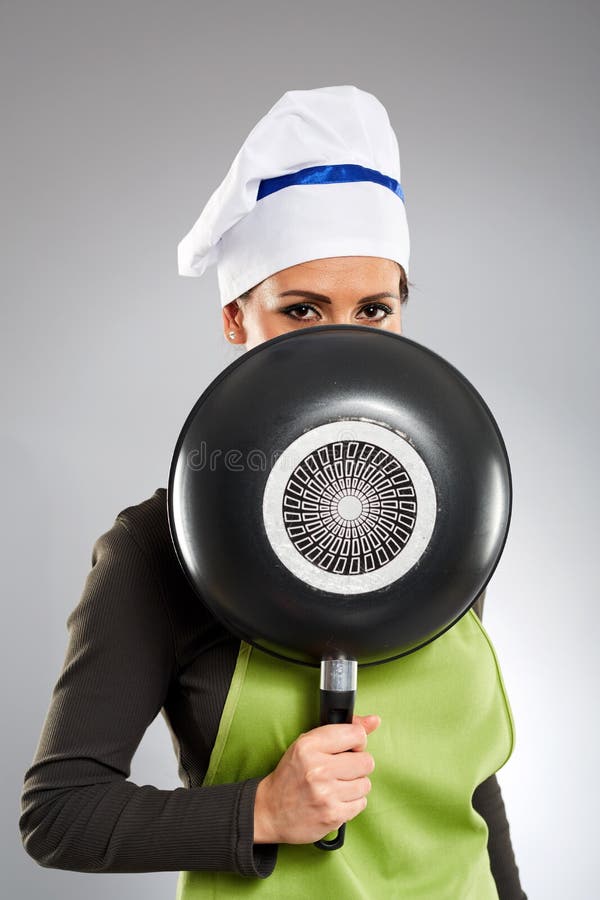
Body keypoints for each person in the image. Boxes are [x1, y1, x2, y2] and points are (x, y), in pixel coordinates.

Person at [19, 85, 527, 899]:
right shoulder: (157, 547)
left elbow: (468, 790)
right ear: (235, 318)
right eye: (301, 309)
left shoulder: (447, 511)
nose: (342, 344)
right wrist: (260, 809)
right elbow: (59, 815)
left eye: (374, 309)